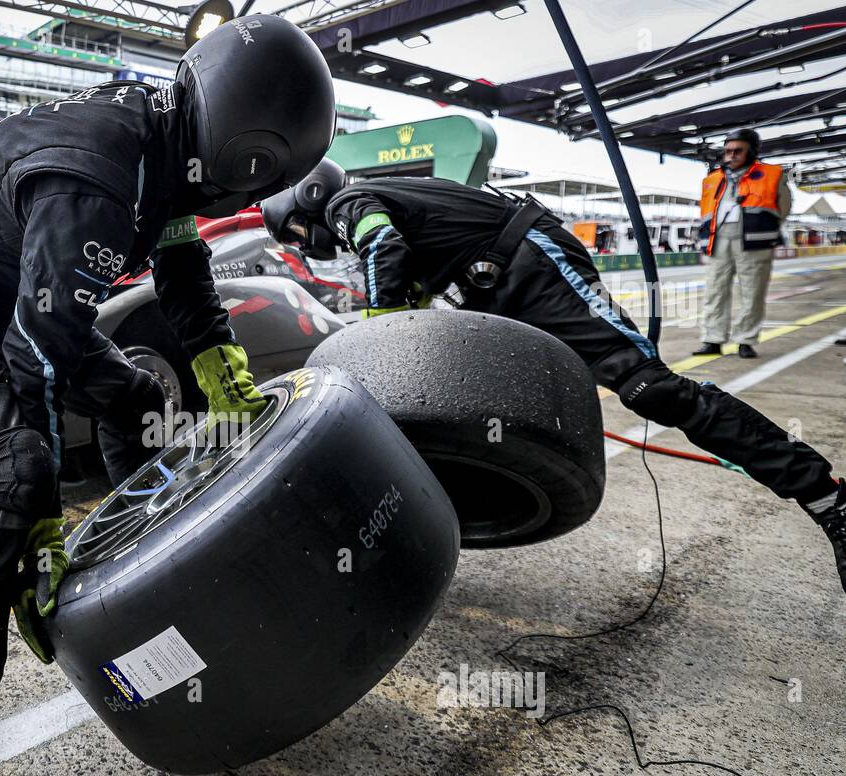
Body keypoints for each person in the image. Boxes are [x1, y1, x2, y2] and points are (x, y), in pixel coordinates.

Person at [0, 14, 335, 776]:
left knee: (139, 393)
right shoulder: (103, 176)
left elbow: (184, 271)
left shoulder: (171, 140)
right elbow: (34, 359)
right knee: (13, 472)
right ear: (245, 156)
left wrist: (228, 380)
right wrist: (44, 535)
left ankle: (146, 566)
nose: (236, 206)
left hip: (24, 290)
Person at [261, 160, 846, 595]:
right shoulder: (396, 207)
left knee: (650, 388)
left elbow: (382, 250)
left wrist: (378, 337)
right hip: (496, 281)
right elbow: (409, 298)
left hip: (530, 265)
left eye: (293, 233)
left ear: (308, 201)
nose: (303, 245)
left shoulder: (352, 202)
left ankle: (824, 496)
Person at [694, 129, 791, 359]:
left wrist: (763, 229)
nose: (732, 155)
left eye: (738, 151)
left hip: (754, 244)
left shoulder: (772, 174)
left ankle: (745, 341)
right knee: (714, 292)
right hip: (718, 243)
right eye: (728, 151)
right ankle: (712, 339)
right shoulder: (712, 179)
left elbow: (783, 208)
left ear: (752, 151)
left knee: (752, 293)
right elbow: (707, 212)